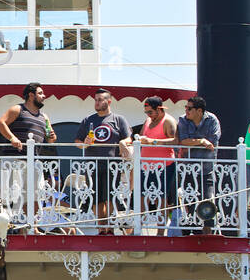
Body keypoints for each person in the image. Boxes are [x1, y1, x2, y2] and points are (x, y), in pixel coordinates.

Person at [74, 88, 131, 222]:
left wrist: (123, 141)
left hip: (113, 165)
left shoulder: (119, 119)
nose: (97, 103)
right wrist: (85, 143)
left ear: (109, 101)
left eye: (100, 100)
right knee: (96, 197)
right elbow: (77, 142)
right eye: (96, 100)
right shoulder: (88, 120)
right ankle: (102, 227)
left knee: (110, 197)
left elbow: (129, 138)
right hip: (93, 165)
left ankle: (109, 227)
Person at [175, 96, 221, 213]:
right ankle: (192, 231)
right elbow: (183, 141)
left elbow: (212, 141)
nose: (186, 111)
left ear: (199, 111)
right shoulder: (183, 120)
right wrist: (201, 141)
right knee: (189, 205)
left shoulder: (212, 120)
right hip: (188, 169)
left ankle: (208, 231)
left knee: (208, 204)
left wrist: (192, 142)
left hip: (207, 170)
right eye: (186, 108)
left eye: (189, 108)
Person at [139, 96, 177, 231]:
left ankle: (161, 232)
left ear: (159, 109)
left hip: (164, 166)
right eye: (146, 113)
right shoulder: (148, 121)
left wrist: (153, 141)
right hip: (145, 165)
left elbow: (175, 140)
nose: (148, 115)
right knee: (142, 197)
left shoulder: (168, 121)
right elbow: (142, 136)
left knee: (161, 198)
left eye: (150, 112)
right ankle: (139, 229)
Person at [0, 83, 57, 154]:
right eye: (40, 93)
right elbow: (0, 123)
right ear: (31, 95)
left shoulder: (44, 117)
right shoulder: (17, 109)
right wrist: (12, 138)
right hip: (14, 160)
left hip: (34, 161)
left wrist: (52, 136)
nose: (44, 96)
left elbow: (50, 140)